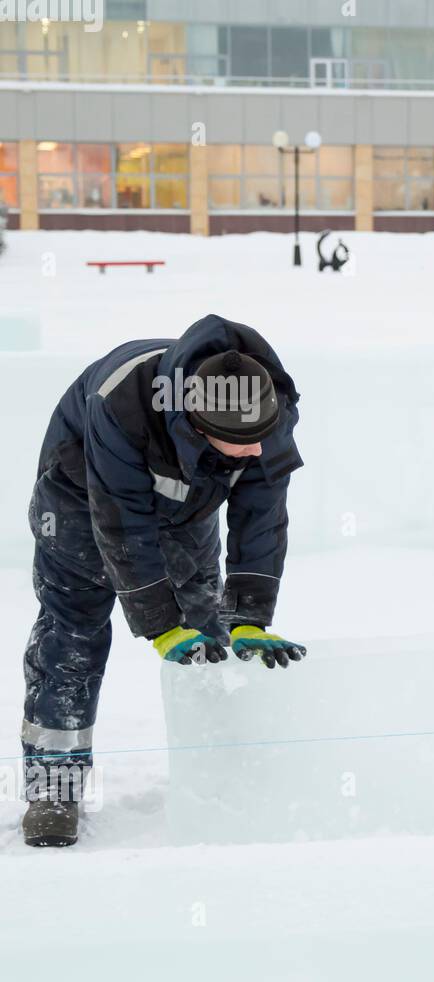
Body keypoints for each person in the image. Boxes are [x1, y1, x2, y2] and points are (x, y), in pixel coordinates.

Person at [21, 314, 307, 847]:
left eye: (262, 439)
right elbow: (121, 517)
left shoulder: (267, 407)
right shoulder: (121, 399)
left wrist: (248, 615)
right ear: (198, 427)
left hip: (188, 511)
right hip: (81, 505)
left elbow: (262, 514)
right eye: (242, 445)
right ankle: (54, 787)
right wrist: (158, 624)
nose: (259, 452)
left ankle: (220, 772)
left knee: (209, 638)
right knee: (73, 640)